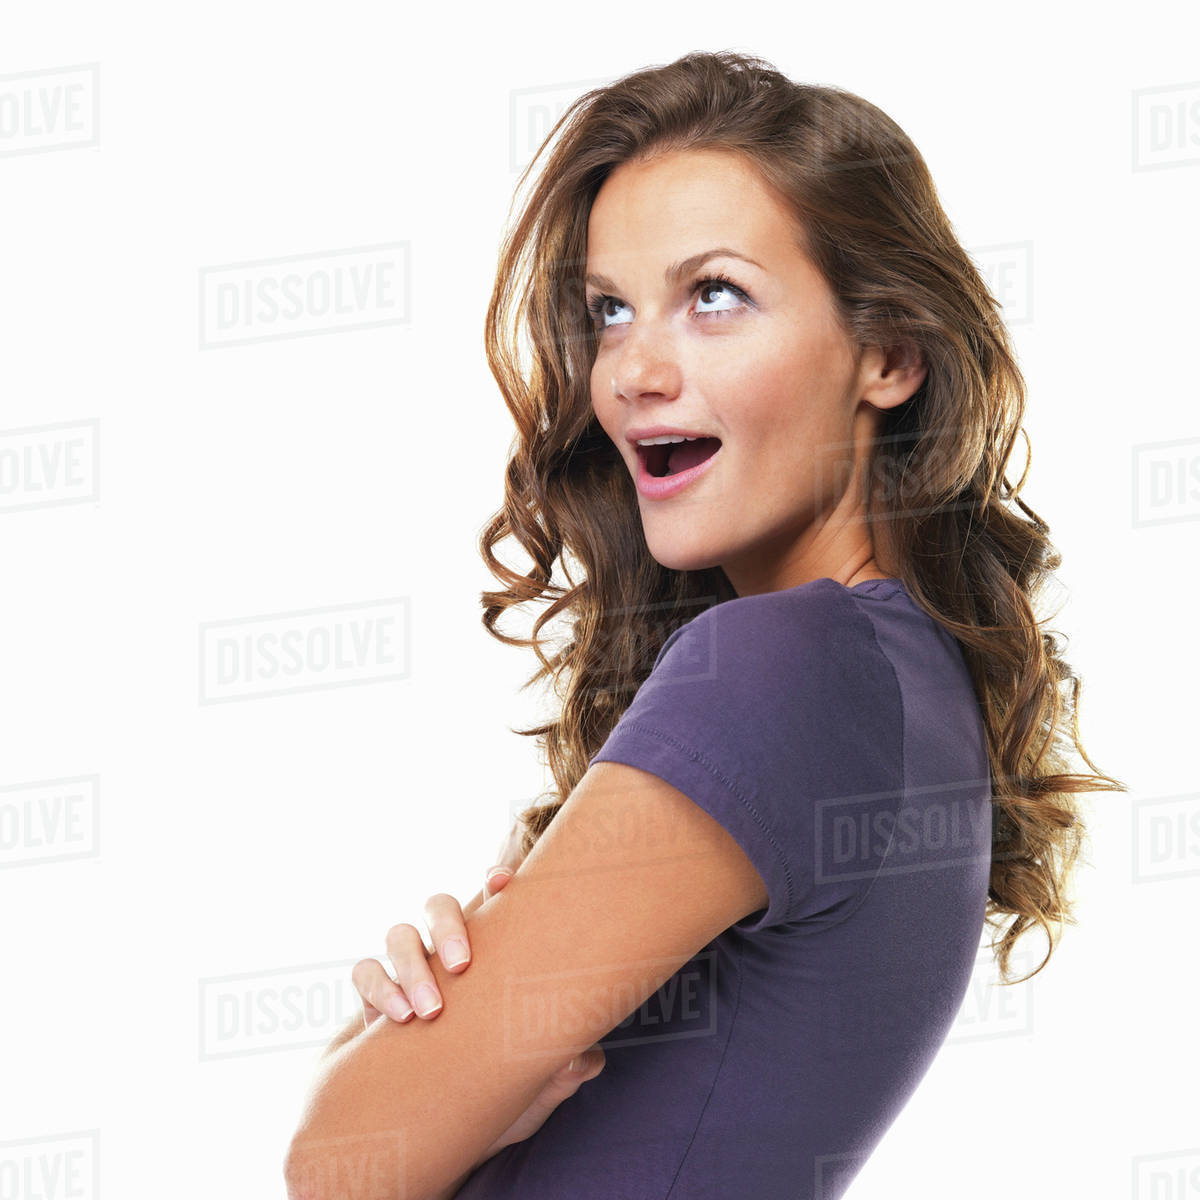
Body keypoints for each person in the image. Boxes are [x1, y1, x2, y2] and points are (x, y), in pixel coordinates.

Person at [285, 50, 1126, 1200]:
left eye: (714, 295)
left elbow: (337, 1168)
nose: (632, 367)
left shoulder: (784, 666)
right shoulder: (897, 677)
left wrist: (397, 1075)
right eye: (608, 310)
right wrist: (415, 1050)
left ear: (888, 354)